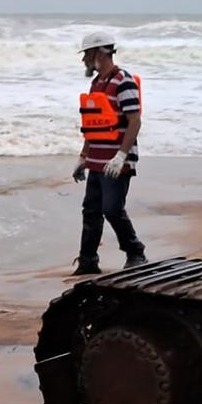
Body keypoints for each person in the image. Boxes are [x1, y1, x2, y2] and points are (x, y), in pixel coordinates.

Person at [72, 31, 147, 276]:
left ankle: (135, 252)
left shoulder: (123, 81)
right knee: (91, 211)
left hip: (116, 161)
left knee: (112, 208)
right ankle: (87, 261)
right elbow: (94, 124)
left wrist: (121, 156)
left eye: (86, 54)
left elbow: (134, 121)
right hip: (96, 160)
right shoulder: (96, 84)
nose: (83, 60)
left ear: (100, 53)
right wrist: (83, 158)